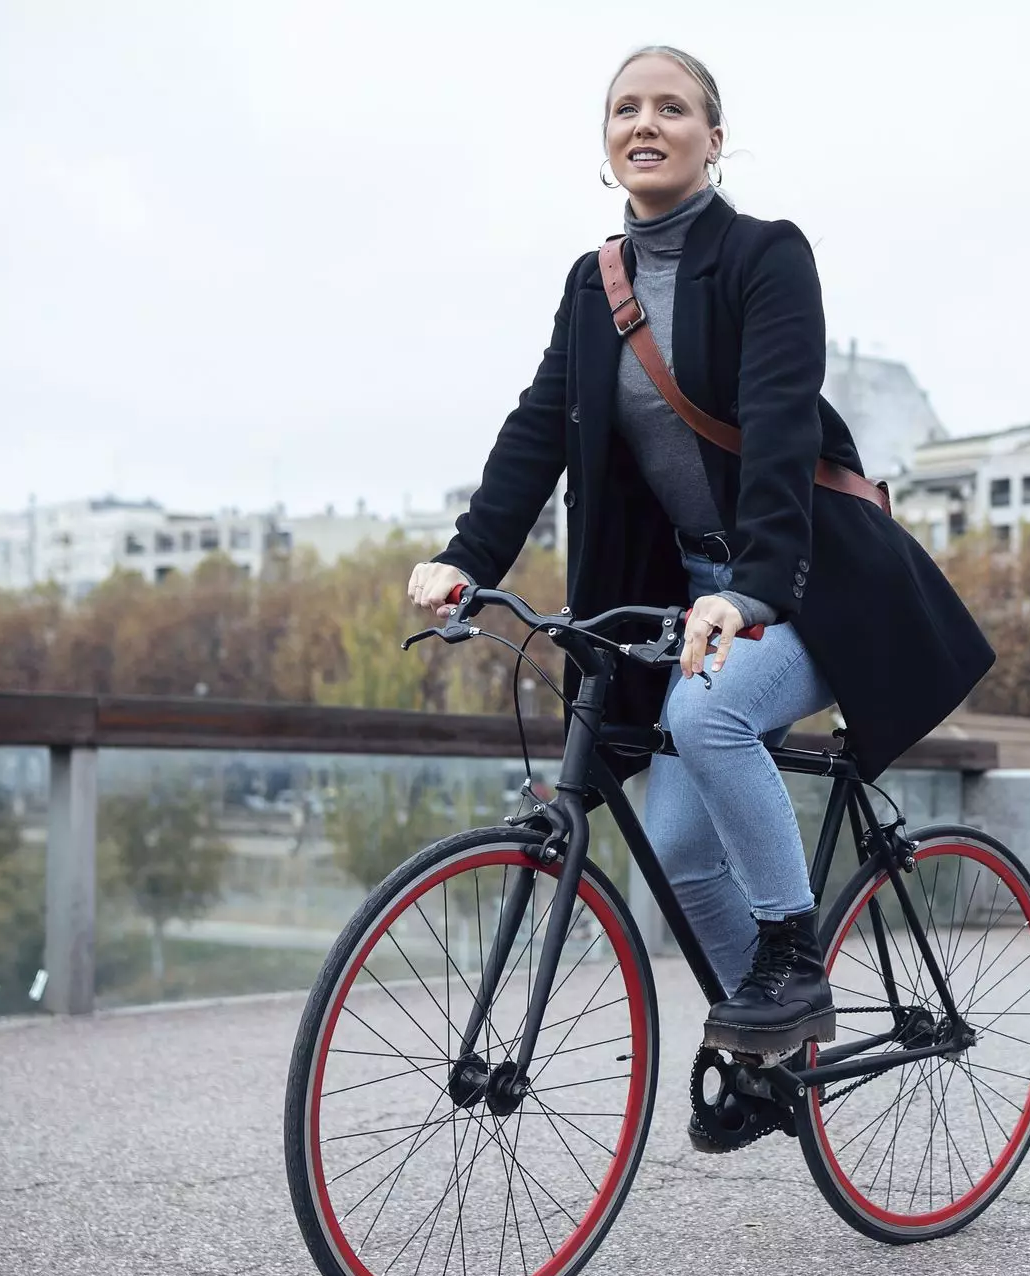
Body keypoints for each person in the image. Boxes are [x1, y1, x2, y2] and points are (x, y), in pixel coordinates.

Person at [408, 45, 992, 1120]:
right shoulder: (594, 285)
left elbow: (776, 428)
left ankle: (793, 954)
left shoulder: (767, 256)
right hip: (688, 598)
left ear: (712, 139)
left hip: (802, 584)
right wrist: (467, 561)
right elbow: (539, 429)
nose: (647, 122)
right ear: (606, 145)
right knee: (675, 841)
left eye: (672, 107)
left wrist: (755, 587)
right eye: (625, 107)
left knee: (715, 720)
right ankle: (773, 1063)